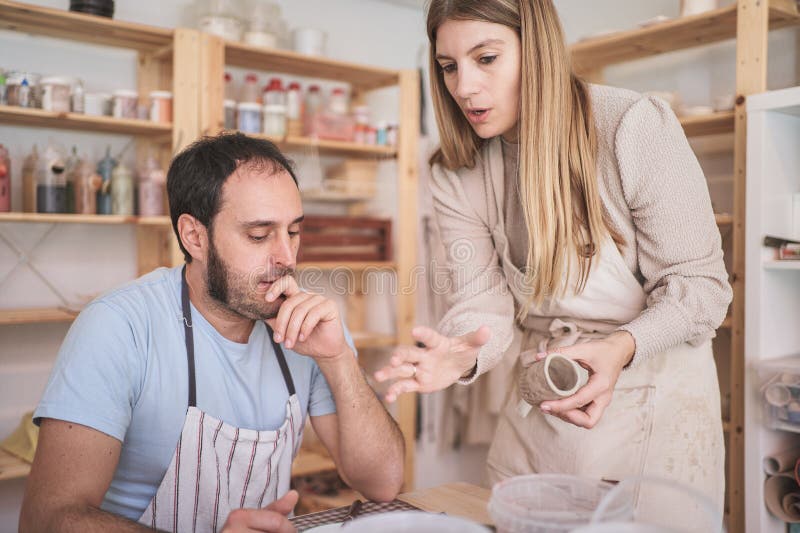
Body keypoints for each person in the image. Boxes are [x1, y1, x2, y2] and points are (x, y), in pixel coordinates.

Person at [375, 0, 731, 522]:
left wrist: (621, 346)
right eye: (449, 66)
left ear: (535, 49)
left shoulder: (629, 126)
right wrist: (463, 354)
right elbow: (482, 301)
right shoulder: (457, 169)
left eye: (487, 58)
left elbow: (701, 288)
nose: (465, 86)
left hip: (650, 398)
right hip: (540, 402)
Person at [20, 133, 404, 532]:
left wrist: (337, 358)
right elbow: (46, 520)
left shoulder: (308, 325)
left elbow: (382, 483)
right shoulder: (119, 327)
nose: (287, 258)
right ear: (195, 237)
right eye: (258, 235)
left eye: (293, 231)